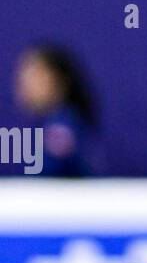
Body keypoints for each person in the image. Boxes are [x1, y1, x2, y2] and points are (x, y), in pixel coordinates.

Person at [13, 43, 100, 177]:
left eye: (35, 76)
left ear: (58, 80)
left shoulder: (62, 126)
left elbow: (45, 177)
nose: (25, 84)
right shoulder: (54, 123)